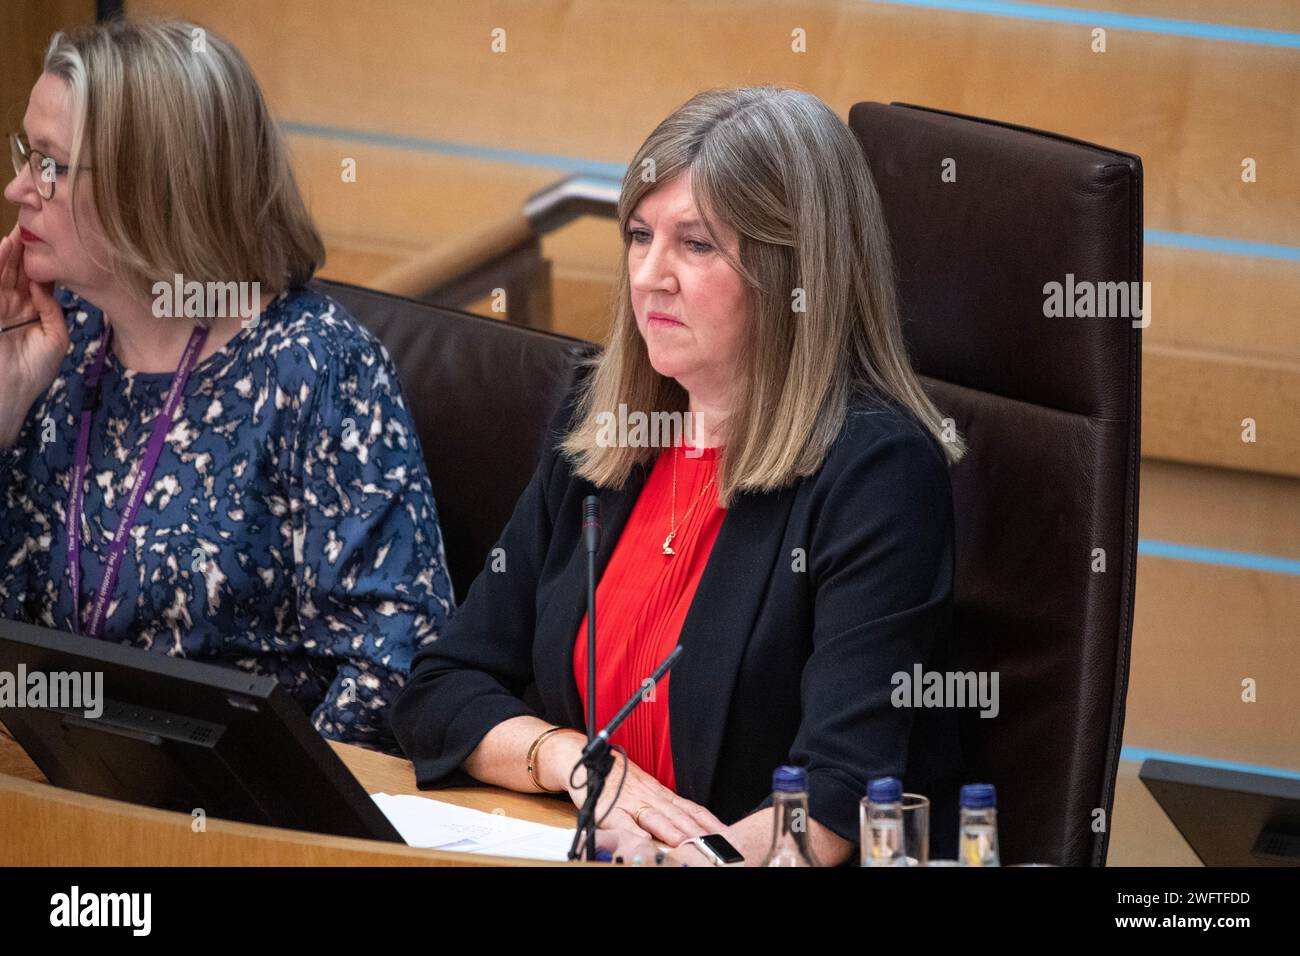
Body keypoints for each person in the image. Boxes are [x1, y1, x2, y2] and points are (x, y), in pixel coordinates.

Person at [392, 86, 967, 865]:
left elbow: (840, 797)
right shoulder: (602, 428)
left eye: (696, 245)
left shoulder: (877, 474)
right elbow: (442, 687)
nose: (650, 276)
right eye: (639, 236)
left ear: (796, 274)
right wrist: (579, 764)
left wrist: (692, 857)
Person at [0, 18, 454, 754]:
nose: (19, 187)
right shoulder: (58, 340)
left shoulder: (317, 368)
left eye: (49, 164)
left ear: (153, 182)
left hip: (243, 819)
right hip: (56, 784)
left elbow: (392, 664)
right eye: (27, 153)